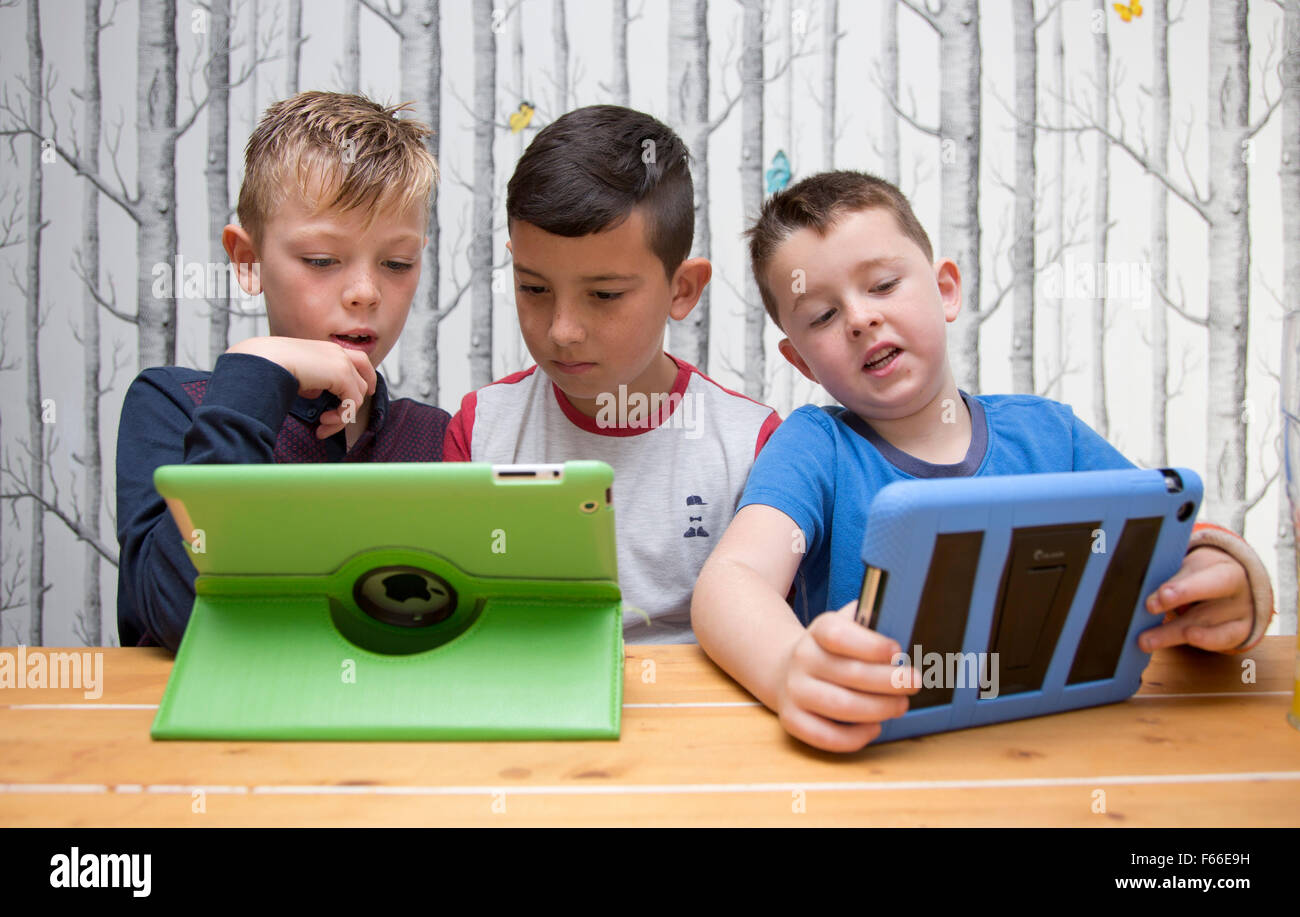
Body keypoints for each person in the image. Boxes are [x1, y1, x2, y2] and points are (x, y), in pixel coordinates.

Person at [691, 170, 1276, 751]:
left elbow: (1170, 538)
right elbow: (731, 582)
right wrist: (790, 666)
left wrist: (1231, 576)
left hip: (1066, 748)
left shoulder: (1052, 434)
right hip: (883, 758)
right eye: (822, 316)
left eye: (884, 285)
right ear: (800, 362)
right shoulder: (814, 447)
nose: (860, 319)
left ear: (946, 289)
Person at [116, 91, 448, 651]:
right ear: (248, 261)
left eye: (397, 263)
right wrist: (256, 371)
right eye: (321, 261)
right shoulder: (175, 405)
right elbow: (184, 617)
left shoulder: (435, 437)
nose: (365, 292)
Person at [444, 105, 780, 642]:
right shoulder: (480, 429)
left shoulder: (751, 445)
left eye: (604, 295)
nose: (563, 330)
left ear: (682, 290)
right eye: (533, 288)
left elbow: (772, 632)